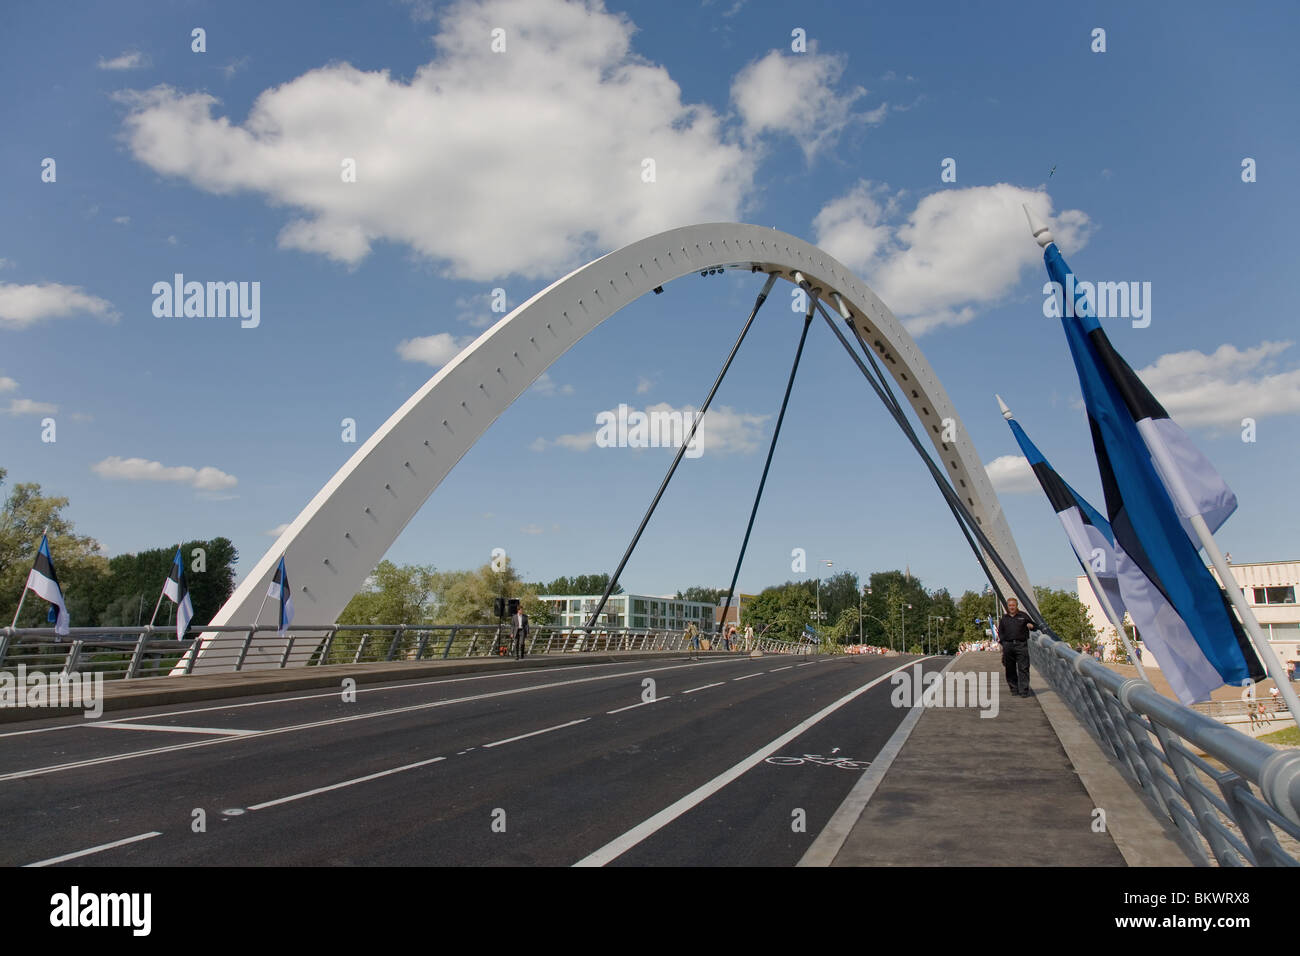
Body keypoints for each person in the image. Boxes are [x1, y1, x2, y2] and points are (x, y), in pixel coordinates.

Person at [997, 597, 1037, 697]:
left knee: (1023, 668)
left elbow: (1035, 626)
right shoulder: (1004, 619)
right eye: (1010, 605)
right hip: (1008, 646)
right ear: (1007, 606)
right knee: (1010, 668)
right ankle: (1014, 689)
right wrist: (1003, 643)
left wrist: (1031, 626)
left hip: (1021, 645)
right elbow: (1000, 631)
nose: (1011, 607)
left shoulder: (1023, 616)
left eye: (1013, 605)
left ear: (1016, 606)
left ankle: (1024, 691)